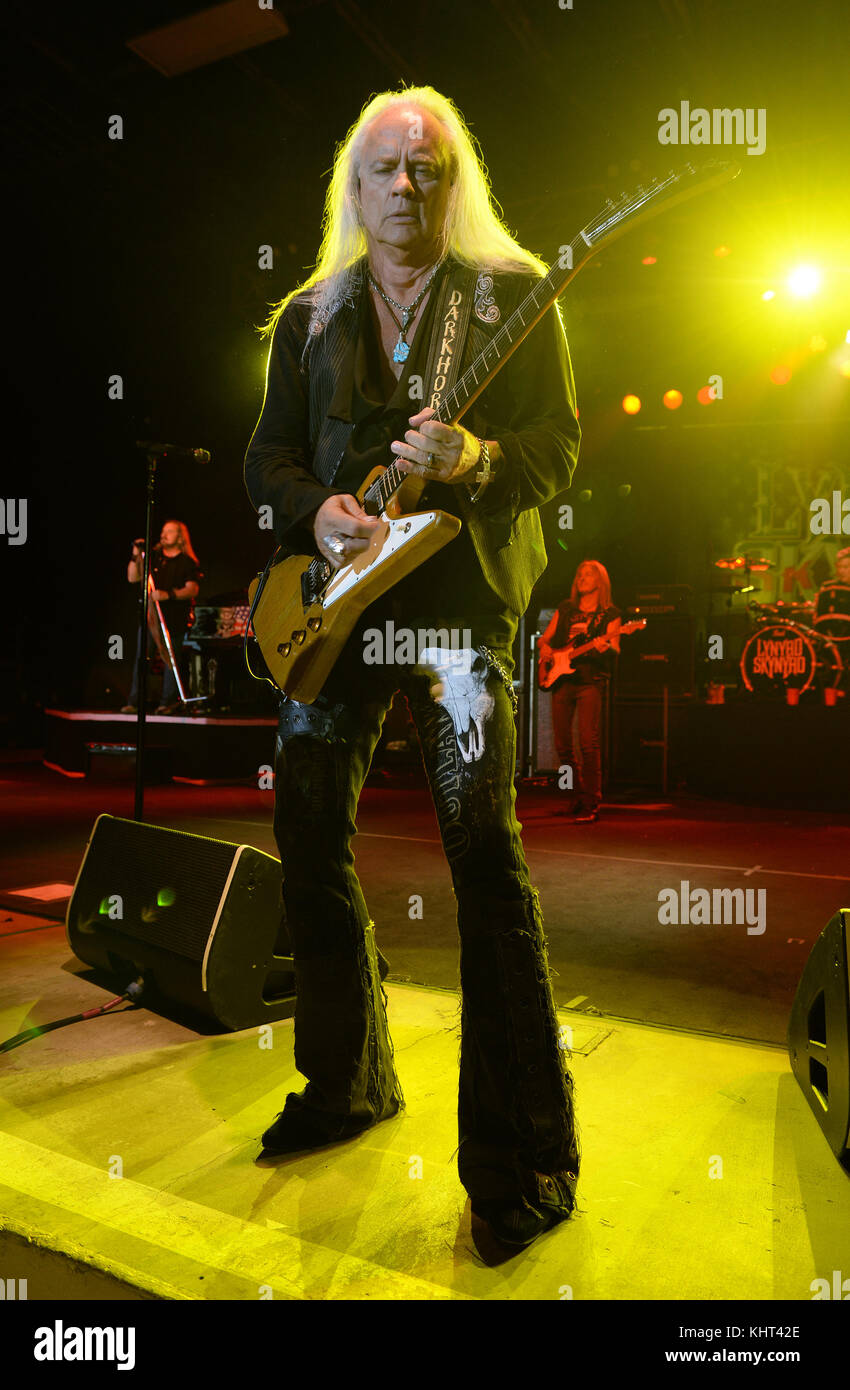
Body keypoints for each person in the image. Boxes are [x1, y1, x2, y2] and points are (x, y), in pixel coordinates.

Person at [244, 86, 581, 1251]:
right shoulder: (309, 314)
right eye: (384, 169)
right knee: (304, 829)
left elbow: (559, 446)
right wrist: (315, 511)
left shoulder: (513, 296)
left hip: (455, 615)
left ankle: (523, 1152)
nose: (404, 186)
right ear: (353, 185)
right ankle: (347, 1080)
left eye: (425, 169)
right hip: (339, 614)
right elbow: (266, 459)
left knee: (481, 854)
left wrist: (478, 455)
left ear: (454, 182)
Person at [538, 560, 621, 823]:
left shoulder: (609, 614)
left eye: (588, 575)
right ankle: (574, 797)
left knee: (588, 742)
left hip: (589, 682)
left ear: (600, 582)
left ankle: (591, 801)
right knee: (563, 745)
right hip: (562, 681)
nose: (582, 578)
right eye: (580, 574)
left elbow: (616, 647)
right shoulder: (566, 608)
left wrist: (603, 647)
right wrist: (545, 650)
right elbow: (545, 638)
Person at [122, 520, 202, 714]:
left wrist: (169, 595)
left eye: (169, 531)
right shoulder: (153, 558)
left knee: (170, 660)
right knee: (142, 657)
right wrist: (135, 555)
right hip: (150, 618)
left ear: (180, 537)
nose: (163, 534)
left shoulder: (187, 562)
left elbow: (193, 589)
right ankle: (135, 700)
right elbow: (133, 577)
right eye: (163, 531)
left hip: (173, 619)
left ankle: (167, 702)